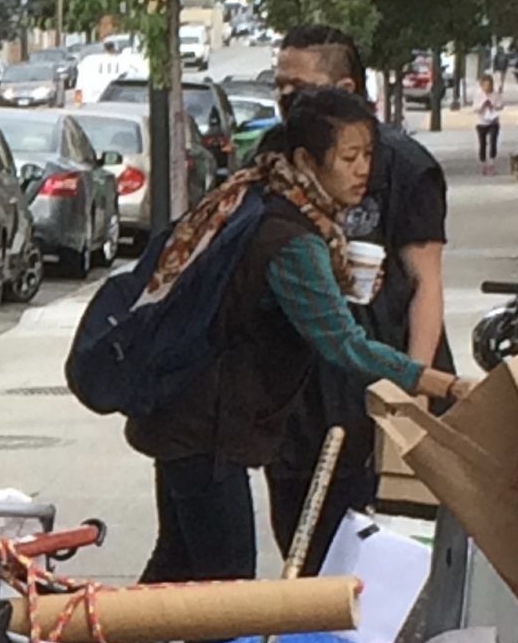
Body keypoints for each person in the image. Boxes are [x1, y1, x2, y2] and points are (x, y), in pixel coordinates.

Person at [125, 86, 470, 584]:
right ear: (306, 159)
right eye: (349, 156)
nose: (362, 171)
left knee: (179, 568)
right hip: (206, 429)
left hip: (180, 415)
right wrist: (437, 382)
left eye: (369, 155)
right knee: (224, 586)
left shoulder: (257, 197)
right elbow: (343, 343)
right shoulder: (290, 241)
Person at [266, 24, 451, 562]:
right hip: (298, 396)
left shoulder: (402, 165)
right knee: (299, 550)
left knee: (371, 557)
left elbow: (426, 282)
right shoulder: (276, 158)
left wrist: (412, 395)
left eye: (298, 87)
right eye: (278, 84)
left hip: (376, 382)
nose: (284, 98)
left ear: (344, 91)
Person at [476, 72, 505, 171]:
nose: (487, 88)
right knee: (483, 143)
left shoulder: (495, 94)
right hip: (481, 122)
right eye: (485, 85)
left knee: (493, 141)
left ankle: (492, 161)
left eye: (489, 85)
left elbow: (500, 105)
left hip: (493, 121)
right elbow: (475, 108)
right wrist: (482, 105)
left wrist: (493, 105)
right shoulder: (479, 95)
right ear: (481, 85)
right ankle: (483, 163)